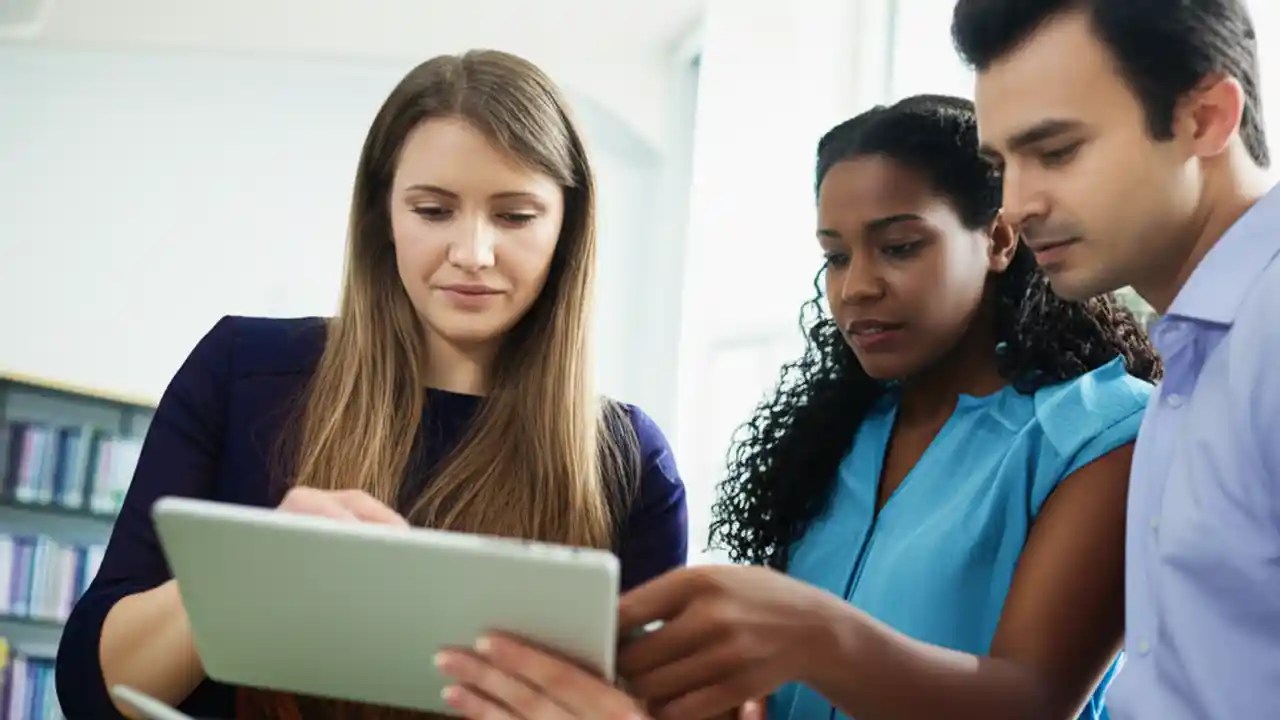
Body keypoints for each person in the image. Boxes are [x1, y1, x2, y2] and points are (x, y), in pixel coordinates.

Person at [434, 95, 1161, 720]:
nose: (856, 287)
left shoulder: (1100, 434)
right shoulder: (839, 435)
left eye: (900, 246)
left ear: (998, 239)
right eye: (836, 256)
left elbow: (1034, 700)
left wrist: (813, 634)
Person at [55, 50, 689, 720]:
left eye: (515, 217)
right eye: (433, 210)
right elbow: (93, 692)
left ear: (568, 227)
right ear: (382, 215)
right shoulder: (241, 371)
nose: (472, 253)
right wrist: (252, 570)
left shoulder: (628, 466)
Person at [951, 1, 1280, 717]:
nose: (1015, 205)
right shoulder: (1198, 348)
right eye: (1001, 165)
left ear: (1205, 119)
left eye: (1057, 151)